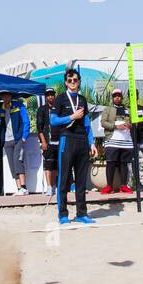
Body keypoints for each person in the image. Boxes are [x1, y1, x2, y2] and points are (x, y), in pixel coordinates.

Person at [50, 68, 96, 224]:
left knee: (82, 180)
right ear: (65, 82)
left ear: (79, 82)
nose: (72, 83)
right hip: (67, 140)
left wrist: (92, 142)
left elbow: (87, 123)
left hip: (82, 141)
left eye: (75, 80)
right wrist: (71, 117)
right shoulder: (60, 99)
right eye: (69, 80)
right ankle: (63, 214)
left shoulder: (82, 99)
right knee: (64, 179)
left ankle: (82, 213)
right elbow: (53, 121)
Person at [99, 88, 135, 194]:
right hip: (112, 139)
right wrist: (116, 126)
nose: (117, 97)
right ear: (112, 98)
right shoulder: (108, 109)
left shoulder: (127, 109)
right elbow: (103, 122)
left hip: (126, 140)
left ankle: (123, 185)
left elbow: (133, 123)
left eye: (119, 95)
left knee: (124, 163)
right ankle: (109, 186)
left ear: (122, 97)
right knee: (111, 162)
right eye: (115, 96)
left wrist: (130, 125)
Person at [0, 92, 30, 195]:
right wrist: (1, 140)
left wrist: (24, 136)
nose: (6, 97)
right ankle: (19, 189)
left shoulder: (18, 105)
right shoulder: (1, 109)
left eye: (8, 95)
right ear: (2, 97)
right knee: (12, 165)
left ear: (11, 96)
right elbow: (0, 125)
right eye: (4, 95)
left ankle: (24, 187)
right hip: (7, 141)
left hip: (18, 139)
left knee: (18, 161)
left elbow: (26, 121)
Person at [36, 88, 58, 193]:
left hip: (58, 140)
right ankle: (48, 186)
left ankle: (54, 185)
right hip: (47, 141)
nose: (50, 97)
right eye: (48, 95)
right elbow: (39, 127)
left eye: (52, 95)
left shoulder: (58, 108)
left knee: (55, 165)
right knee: (48, 164)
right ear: (45, 97)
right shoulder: (41, 109)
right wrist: (43, 141)